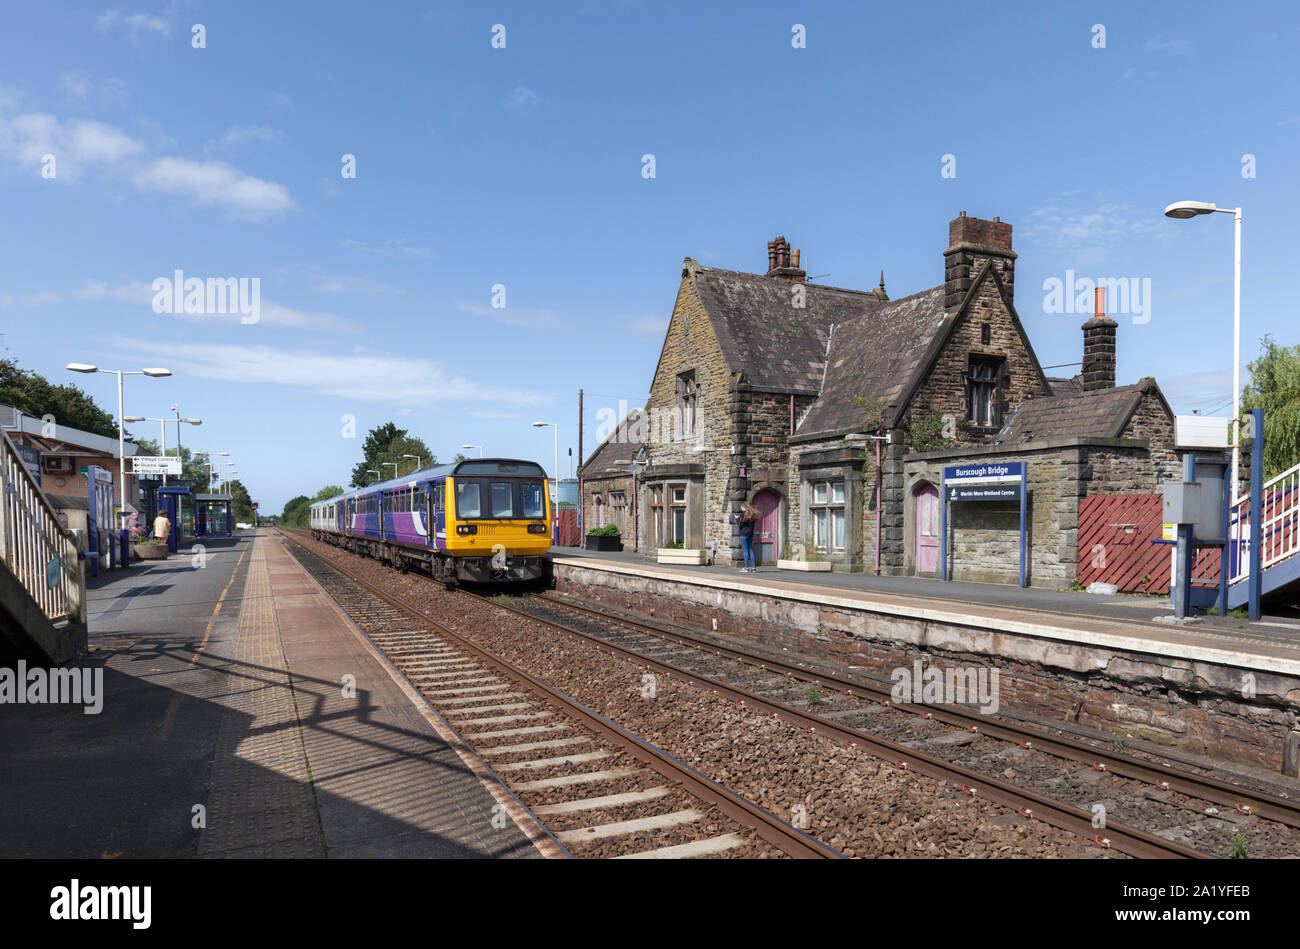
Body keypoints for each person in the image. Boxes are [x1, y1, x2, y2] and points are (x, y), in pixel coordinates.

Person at [733, 501, 761, 572]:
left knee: (745, 551)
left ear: (744, 507)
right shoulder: (752, 515)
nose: (741, 508)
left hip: (743, 535)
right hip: (750, 535)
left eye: (741, 507)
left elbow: (740, 524)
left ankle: (746, 568)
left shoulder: (743, 515)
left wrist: (737, 518)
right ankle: (754, 568)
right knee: (750, 550)